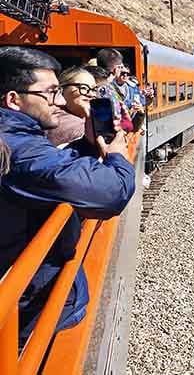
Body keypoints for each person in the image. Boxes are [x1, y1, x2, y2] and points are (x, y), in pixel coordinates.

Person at [0, 46, 136, 346]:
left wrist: (87, 145)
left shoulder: (19, 139)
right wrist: (117, 157)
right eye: (49, 93)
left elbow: (51, 171)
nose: (58, 101)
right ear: (14, 100)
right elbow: (111, 193)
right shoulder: (18, 150)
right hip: (29, 312)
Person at [47, 66, 98, 147]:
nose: (91, 94)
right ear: (61, 90)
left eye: (94, 89)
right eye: (83, 88)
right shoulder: (76, 127)